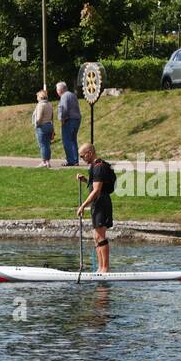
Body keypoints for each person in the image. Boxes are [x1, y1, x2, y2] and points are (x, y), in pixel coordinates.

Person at [77, 143, 116, 273]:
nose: (82, 158)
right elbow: (96, 184)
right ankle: (100, 268)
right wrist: (85, 180)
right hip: (98, 203)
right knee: (96, 237)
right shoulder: (95, 166)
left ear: (89, 153)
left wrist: (83, 206)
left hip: (101, 203)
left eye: (82, 156)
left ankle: (105, 269)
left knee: (100, 236)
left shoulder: (99, 167)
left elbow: (97, 190)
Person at [57, 81, 82, 167]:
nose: (57, 91)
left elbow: (64, 108)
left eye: (57, 89)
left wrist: (62, 119)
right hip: (77, 119)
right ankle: (75, 160)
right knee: (73, 140)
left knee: (66, 140)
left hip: (69, 120)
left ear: (60, 90)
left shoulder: (64, 96)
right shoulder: (72, 95)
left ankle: (71, 160)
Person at [32, 89, 54, 168]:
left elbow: (39, 117)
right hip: (49, 125)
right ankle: (48, 161)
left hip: (42, 126)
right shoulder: (49, 104)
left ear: (40, 97)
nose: (37, 98)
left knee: (42, 145)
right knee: (47, 145)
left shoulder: (40, 105)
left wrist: (36, 124)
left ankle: (44, 161)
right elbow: (52, 117)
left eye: (37, 96)